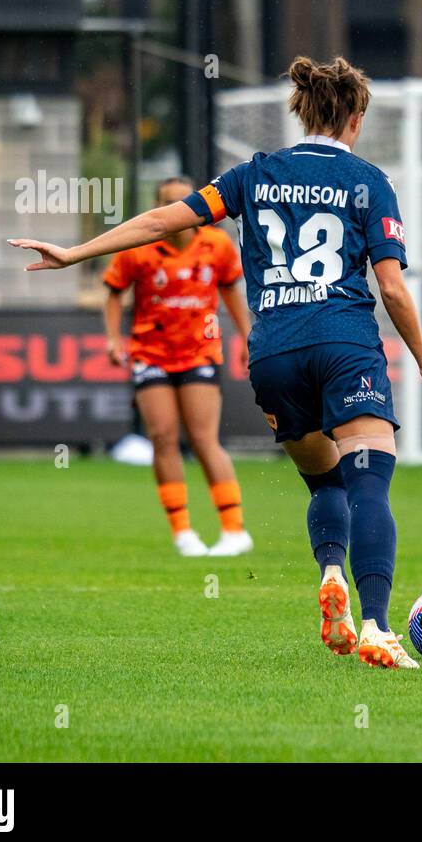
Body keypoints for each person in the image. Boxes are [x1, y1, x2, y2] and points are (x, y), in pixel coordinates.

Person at [10, 56, 422, 669]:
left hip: (272, 354)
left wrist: (75, 252)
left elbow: (166, 219)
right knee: (368, 481)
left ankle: (332, 573)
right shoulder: (368, 181)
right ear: (354, 118)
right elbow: (393, 288)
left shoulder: (256, 173)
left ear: (301, 112)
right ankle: (377, 626)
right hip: (344, 343)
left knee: (323, 482)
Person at [102, 176, 252, 557]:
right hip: (151, 353)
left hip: (200, 352)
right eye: (167, 202)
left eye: (181, 201)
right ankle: (183, 531)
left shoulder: (217, 245)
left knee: (203, 439)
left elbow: (231, 291)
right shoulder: (137, 247)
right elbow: (114, 293)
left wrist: (248, 338)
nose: (176, 209)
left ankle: (234, 530)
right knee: (163, 437)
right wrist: (113, 339)